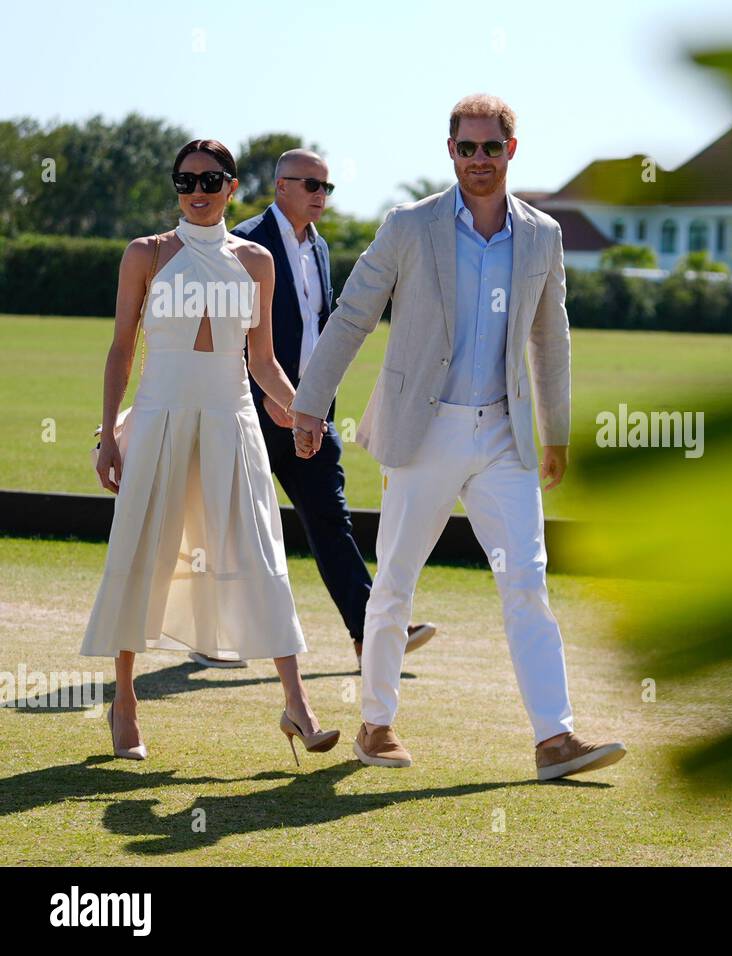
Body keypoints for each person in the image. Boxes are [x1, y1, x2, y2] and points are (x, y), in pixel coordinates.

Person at [291, 94, 625, 780]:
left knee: (527, 582)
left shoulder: (543, 235)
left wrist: (555, 433)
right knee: (396, 585)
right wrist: (309, 405)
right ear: (450, 151)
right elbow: (353, 315)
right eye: (467, 147)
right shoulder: (408, 226)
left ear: (511, 150)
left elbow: (550, 340)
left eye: (491, 148)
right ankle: (376, 724)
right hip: (425, 431)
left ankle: (554, 739)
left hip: (504, 436)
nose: (479, 159)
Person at [82, 139, 339, 765]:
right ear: (176, 186)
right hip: (161, 416)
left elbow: (263, 361)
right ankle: (124, 702)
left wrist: (301, 414)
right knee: (141, 550)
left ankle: (297, 706)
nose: (198, 191)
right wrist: (108, 433)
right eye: (186, 179)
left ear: (232, 186)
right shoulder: (145, 254)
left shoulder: (255, 262)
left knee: (261, 550)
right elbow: (121, 349)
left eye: (211, 179)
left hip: (233, 419)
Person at [180, 148, 432, 672]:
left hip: (307, 413)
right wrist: (271, 397)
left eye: (327, 188)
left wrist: (308, 406)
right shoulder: (245, 242)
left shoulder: (318, 248)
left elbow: (321, 331)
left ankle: (370, 634)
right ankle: (208, 634)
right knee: (231, 523)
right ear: (281, 187)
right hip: (248, 409)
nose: (321, 196)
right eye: (311, 185)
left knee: (329, 516)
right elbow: (226, 333)